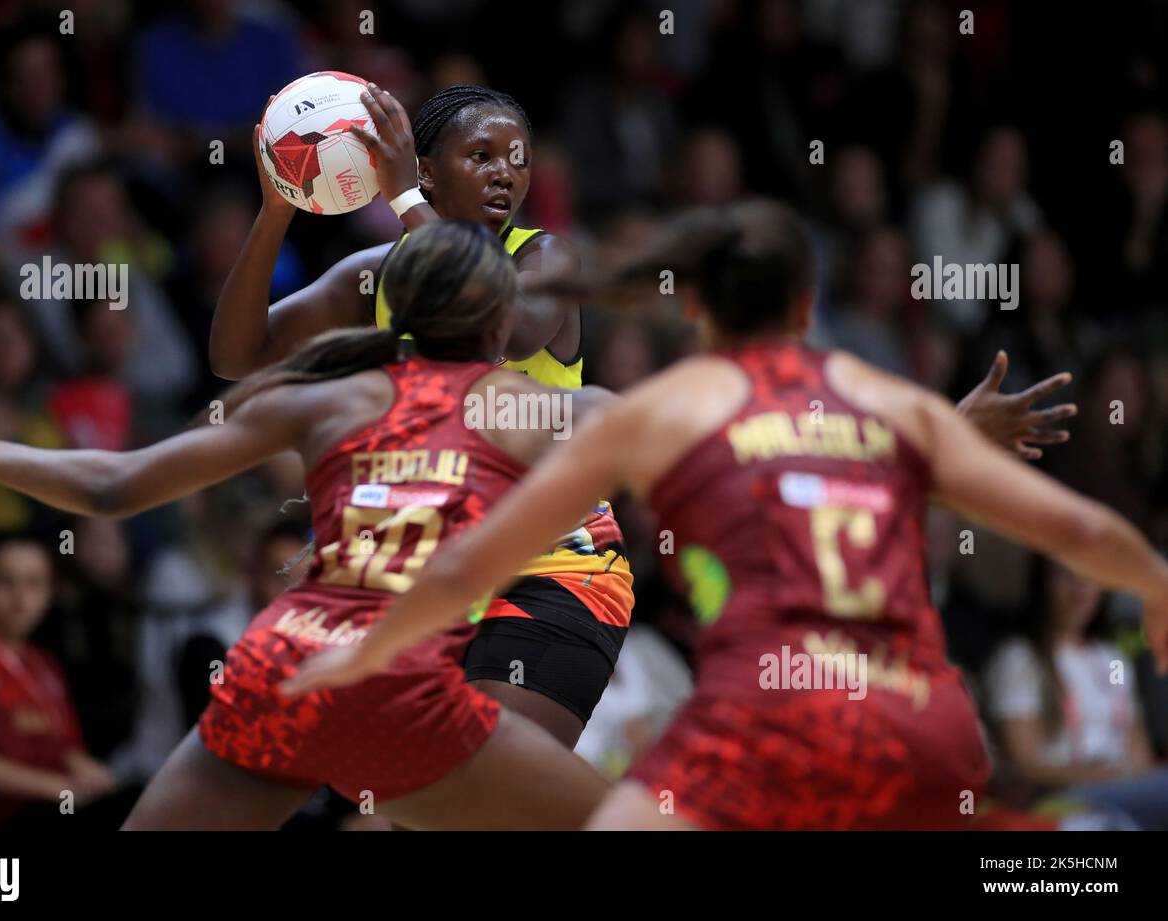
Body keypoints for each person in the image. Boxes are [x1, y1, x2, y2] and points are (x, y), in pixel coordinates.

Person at [285, 201, 1168, 831]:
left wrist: (360, 647)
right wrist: (1156, 583)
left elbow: (468, 568)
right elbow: (1085, 535)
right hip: (922, 723)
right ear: (807, 308)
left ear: (699, 309)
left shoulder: (662, 410)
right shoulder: (891, 407)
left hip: (766, 715)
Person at [0, 220, 610, 830]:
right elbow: (690, 429)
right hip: (395, 685)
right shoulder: (529, 408)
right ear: (500, 321)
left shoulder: (324, 396)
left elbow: (114, 485)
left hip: (278, 674)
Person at [212, 83, 631, 747]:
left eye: (517, 157)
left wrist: (405, 200)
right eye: (482, 155)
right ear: (428, 169)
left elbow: (507, 328)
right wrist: (276, 210)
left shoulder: (545, 256)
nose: (506, 172)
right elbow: (237, 354)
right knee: (406, 799)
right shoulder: (378, 274)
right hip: (423, 565)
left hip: (554, 560)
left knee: (493, 792)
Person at [0, 532, 118, 830]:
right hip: (8, 817)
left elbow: (67, 748)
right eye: (5, 581)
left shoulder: (45, 663)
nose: (20, 598)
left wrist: (92, 773)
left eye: (34, 583)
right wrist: (57, 789)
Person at [983, 557, 1168, 829]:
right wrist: (1101, 775)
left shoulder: (1113, 659)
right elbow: (1025, 763)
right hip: (1065, 797)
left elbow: (1138, 749)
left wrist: (1129, 775)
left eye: (1090, 577)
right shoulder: (1020, 659)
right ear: (1044, 583)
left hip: (1126, 790)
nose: (1080, 590)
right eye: (1065, 577)